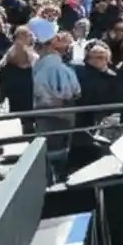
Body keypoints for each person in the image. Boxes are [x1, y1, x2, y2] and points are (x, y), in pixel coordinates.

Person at [33, 31, 82, 181]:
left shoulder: (39, 67)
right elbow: (73, 93)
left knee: (49, 151)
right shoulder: (58, 69)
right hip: (58, 115)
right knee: (58, 152)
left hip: (42, 114)